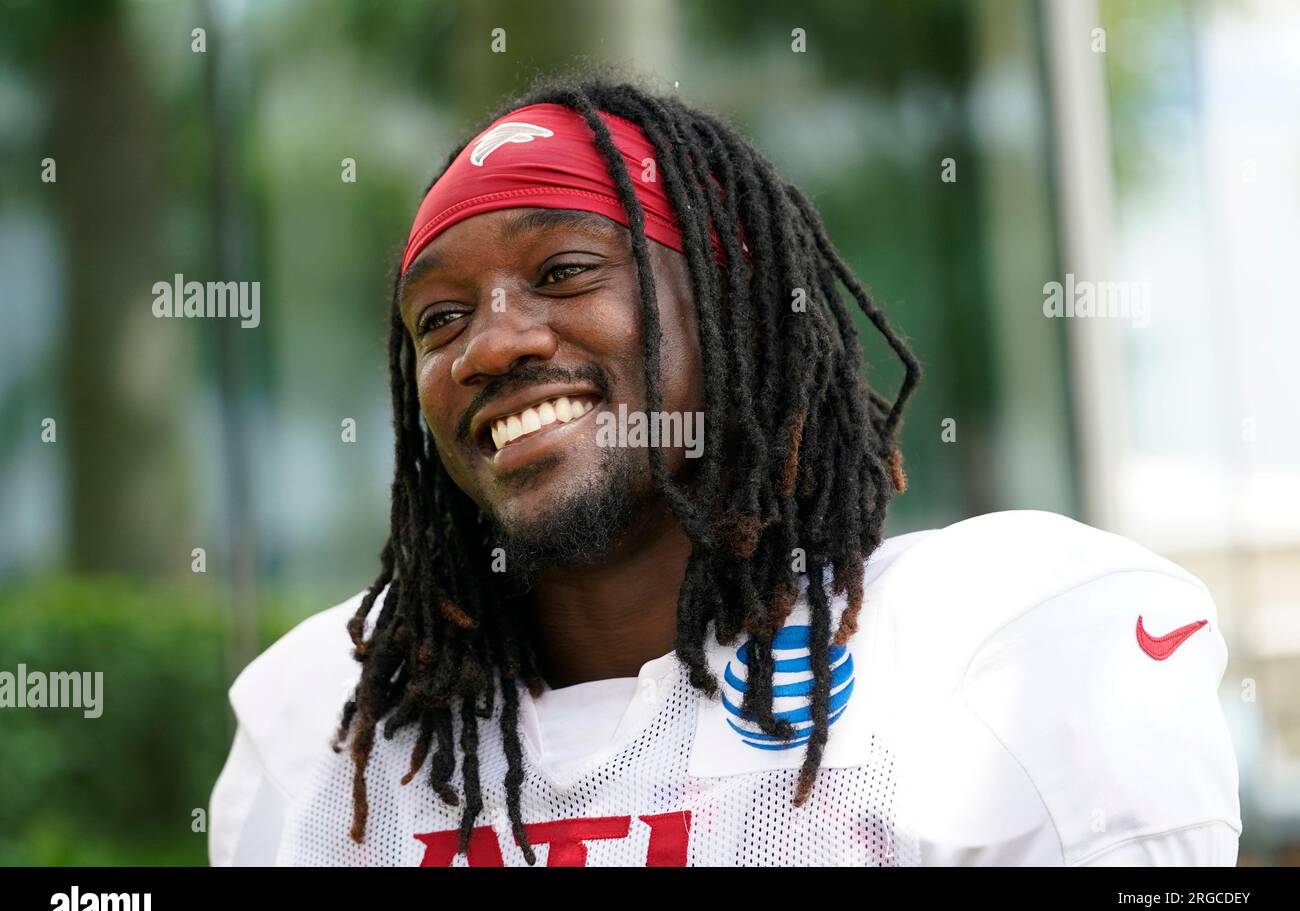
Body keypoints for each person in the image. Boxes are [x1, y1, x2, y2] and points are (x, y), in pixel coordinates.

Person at [208, 78, 1241, 866]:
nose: (489, 345)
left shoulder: (991, 646)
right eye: (440, 319)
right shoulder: (326, 731)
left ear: (730, 306)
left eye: (564, 271)